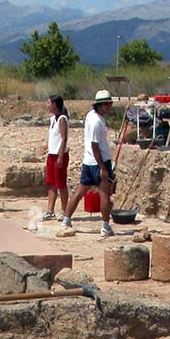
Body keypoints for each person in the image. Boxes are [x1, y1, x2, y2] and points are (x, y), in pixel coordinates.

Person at [61, 89, 117, 239]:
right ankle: (105, 226)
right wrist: (103, 167)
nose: (110, 106)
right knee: (104, 193)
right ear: (101, 105)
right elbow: (94, 145)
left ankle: (66, 220)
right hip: (98, 161)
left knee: (80, 192)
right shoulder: (97, 122)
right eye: (107, 104)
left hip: (88, 161)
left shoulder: (91, 116)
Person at [43, 94, 70, 221]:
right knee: (52, 183)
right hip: (51, 154)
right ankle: (50, 210)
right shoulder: (53, 119)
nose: (47, 105)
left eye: (48, 103)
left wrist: (60, 156)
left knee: (61, 184)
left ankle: (64, 211)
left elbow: (64, 138)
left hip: (60, 155)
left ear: (54, 104)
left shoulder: (62, 119)